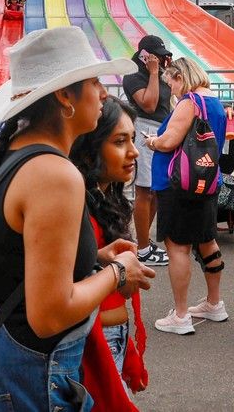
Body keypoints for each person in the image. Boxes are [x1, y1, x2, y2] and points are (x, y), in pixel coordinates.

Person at [0, 26, 153, 410]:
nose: (104, 94)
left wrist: (92, 258)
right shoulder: (55, 174)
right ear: (64, 96)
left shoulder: (17, 156)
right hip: (25, 385)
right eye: (93, 82)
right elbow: (50, 315)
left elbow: (13, 260)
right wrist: (118, 273)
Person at [71, 97, 149, 407]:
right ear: (89, 149)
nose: (134, 151)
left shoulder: (102, 198)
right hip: (94, 348)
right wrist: (117, 274)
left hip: (111, 338)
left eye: (132, 139)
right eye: (119, 141)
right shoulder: (76, 205)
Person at [145, 57, 230, 335]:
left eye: (171, 83)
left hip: (178, 184)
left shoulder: (189, 102)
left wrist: (152, 141)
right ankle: (214, 303)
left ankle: (181, 315)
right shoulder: (214, 102)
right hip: (206, 181)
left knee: (178, 247)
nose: (171, 89)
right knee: (206, 240)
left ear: (181, 77)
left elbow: (169, 141)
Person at [123, 36, 173, 267]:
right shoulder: (134, 76)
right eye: (156, 56)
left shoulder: (160, 74)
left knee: (155, 190)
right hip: (145, 130)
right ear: (145, 55)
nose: (160, 60)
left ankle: (144, 241)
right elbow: (149, 104)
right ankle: (142, 249)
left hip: (160, 132)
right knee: (144, 190)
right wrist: (153, 73)